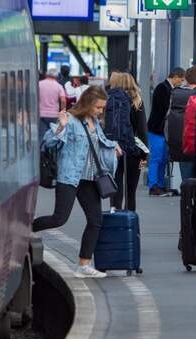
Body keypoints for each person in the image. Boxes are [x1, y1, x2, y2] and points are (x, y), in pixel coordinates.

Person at [34, 86, 123, 279]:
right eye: (98, 107)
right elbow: (49, 144)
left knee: (95, 220)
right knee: (59, 218)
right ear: (88, 103)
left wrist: (113, 145)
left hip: (90, 179)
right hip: (70, 176)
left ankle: (83, 264)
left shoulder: (94, 121)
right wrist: (61, 127)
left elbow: (98, 142)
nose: (100, 111)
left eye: (102, 108)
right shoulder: (71, 120)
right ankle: (26, 230)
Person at [106, 72, 148, 211]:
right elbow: (142, 130)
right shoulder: (137, 100)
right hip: (133, 150)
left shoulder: (109, 99)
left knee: (116, 189)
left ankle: (115, 219)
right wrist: (144, 154)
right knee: (131, 192)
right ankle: (129, 224)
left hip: (114, 149)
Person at [147, 67, 185, 196]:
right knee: (156, 158)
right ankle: (153, 185)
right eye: (181, 79)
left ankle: (161, 185)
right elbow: (165, 109)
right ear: (175, 76)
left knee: (163, 159)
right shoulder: (163, 88)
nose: (181, 82)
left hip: (162, 130)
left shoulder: (166, 88)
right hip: (157, 129)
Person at [166, 65, 196, 183]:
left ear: (186, 80)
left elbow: (168, 120)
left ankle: (187, 200)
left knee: (187, 184)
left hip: (182, 147)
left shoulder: (176, 95)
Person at [38, 68, 67, 140]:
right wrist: (63, 111)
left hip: (41, 114)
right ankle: (49, 149)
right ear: (56, 76)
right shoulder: (59, 86)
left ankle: (41, 149)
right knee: (53, 134)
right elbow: (63, 100)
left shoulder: (39, 84)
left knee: (41, 135)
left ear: (46, 75)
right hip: (54, 115)